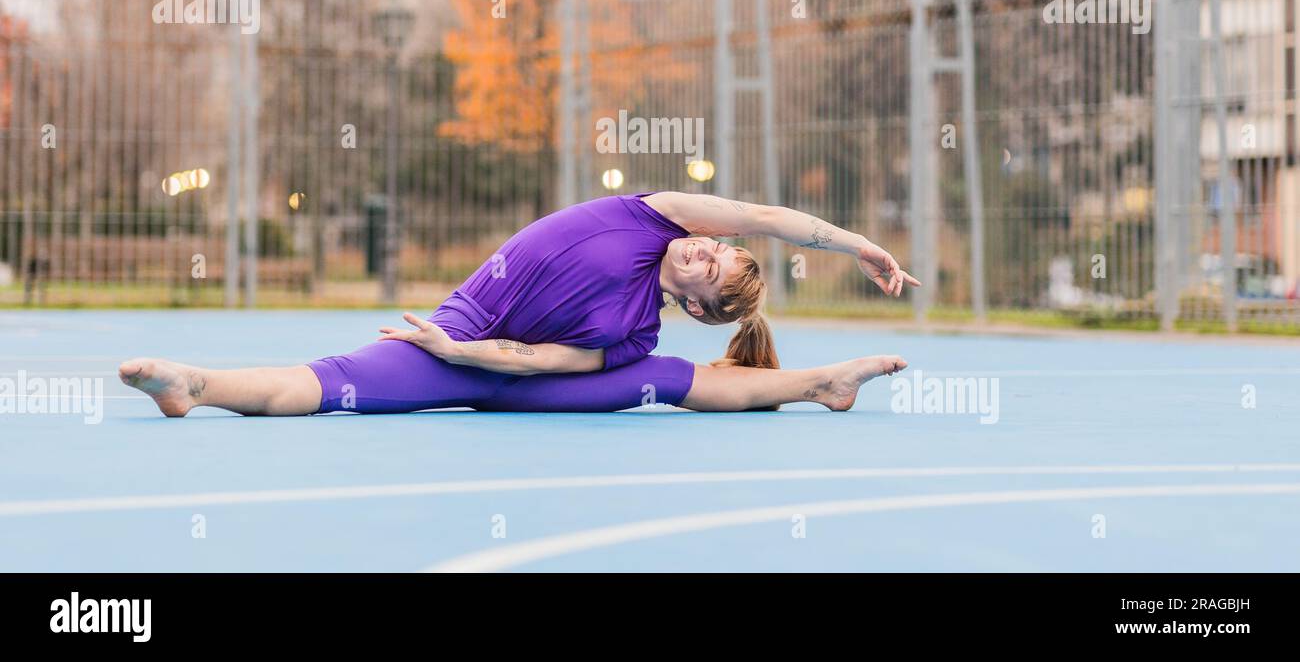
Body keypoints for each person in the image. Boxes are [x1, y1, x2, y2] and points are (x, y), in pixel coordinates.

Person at [120, 192, 918, 416]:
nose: (707, 248)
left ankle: (822, 382)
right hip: (468, 334)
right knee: (332, 384)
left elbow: (543, 361)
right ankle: (198, 386)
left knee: (674, 381)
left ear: (701, 306)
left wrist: (461, 358)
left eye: (711, 267)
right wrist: (858, 246)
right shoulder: (657, 216)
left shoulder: (637, 335)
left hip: (502, 366)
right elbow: (768, 220)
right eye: (714, 243)